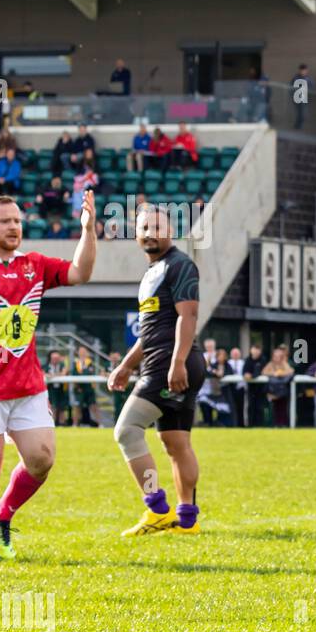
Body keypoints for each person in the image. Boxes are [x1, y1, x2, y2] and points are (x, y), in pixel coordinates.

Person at [0, 192, 97, 562]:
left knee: (42, 458)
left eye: (17, 220)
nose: (14, 227)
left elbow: (80, 273)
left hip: (26, 384)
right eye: (5, 221)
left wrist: (88, 230)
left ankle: (4, 512)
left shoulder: (34, 264)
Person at [106, 204, 207, 536]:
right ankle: (187, 520)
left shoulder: (179, 265)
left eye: (157, 226)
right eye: (143, 227)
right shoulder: (153, 271)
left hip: (169, 364)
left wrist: (177, 362)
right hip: (165, 361)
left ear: (171, 231)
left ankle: (157, 508)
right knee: (176, 442)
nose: (150, 232)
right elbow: (148, 332)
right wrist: (125, 365)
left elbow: (187, 317)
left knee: (127, 430)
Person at [198, 338, 229, 426]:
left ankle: (217, 422)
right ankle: (207, 421)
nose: (209, 348)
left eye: (211, 346)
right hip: (205, 386)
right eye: (208, 346)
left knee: (217, 405)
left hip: (217, 387)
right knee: (204, 404)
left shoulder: (219, 355)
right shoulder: (203, 355)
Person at [262, 346, 294, 427]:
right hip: (273, 392)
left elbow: (291, 371)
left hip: (283, 392)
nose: (277, 358)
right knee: (274, 409)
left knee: (283, 408)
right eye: (276, 356)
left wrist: (281, 373)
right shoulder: (270, 364)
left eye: (279, 356)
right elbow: (264, 372)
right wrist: (274, 373)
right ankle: (275, 424)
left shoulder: (284, 363)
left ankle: (283, 424)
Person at [70, 344, 99, 426]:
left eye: (84, 351)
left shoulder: (90, 363)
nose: (82, 353)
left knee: (93, 406)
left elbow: (90, 373)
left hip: (89, 388)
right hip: (78, 389)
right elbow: (73, 374)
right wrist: (77, 385)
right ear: (78, 352)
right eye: (81, 351)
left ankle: (100, 424)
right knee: (77, 407)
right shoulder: (75, 363)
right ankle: (75, 424)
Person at [242, 343, 267, 427]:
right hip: (251, 388)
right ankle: (250, 425)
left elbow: (259, 372)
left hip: (260, 388)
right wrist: (246, 375)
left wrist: (251, 376)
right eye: (254, 349)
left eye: (258, 350)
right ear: (251, 350)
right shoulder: (248, 360)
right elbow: (244, 372)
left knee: (259, 408)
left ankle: (260, 426)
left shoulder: (263, 360)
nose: (256, 352)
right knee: (250, 407)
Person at [45, 351, 69, 424]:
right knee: (52, 407)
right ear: (50, 358)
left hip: (62, 389)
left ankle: (62, 424)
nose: (56, 360)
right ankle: (52, 423)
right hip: (50, 389)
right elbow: (43, 373)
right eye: (54, 358)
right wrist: (57, 375)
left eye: (57, 358)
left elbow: (64, 373)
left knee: (62, 408)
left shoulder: (62, 365)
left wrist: (53, 375)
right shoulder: (46, 366)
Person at [226, 347, 246, 427]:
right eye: (234, 354)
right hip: (230, 388)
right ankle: (232, 424)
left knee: (241, 407)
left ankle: (241, 424)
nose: (235, 355)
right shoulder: (228, 363)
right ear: (231, 355)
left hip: (240, 388)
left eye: (237, 354)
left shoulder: (243, 363)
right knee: (231, 406)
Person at [106, 350, 129, 423]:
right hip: (114, 389)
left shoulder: (122, 363)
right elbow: (102, 372)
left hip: (124, 388)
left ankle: (125, 421)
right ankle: (116, 421)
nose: (114, 358)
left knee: (125, 405)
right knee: (117, 406)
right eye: (113, 356)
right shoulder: (107, 364)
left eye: (115, 356)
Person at [291, 63, 313, 130]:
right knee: (300, 114)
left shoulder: (308, 79)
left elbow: (312, 87)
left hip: (305, 99)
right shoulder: (296, 78)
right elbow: (291, 88)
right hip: (298, 99)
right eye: (302, 70)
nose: (303, 72)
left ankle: (298, 127)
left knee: (303, 114)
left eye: (304, 70)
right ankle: (298, 127)